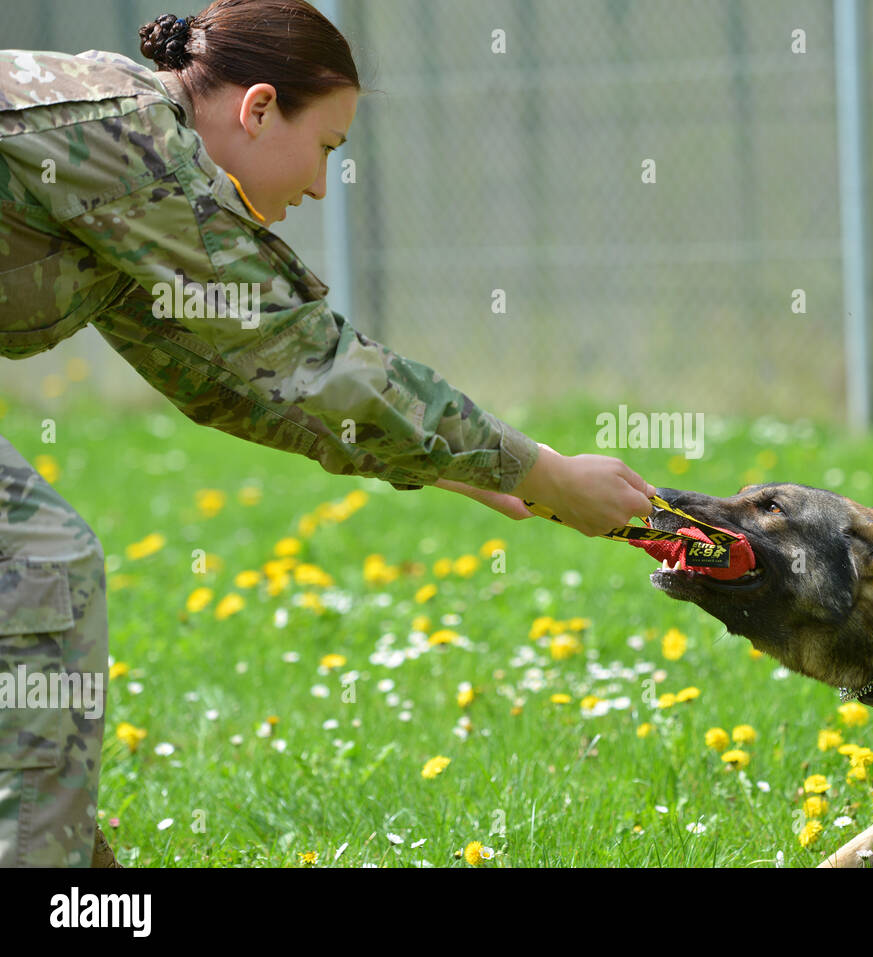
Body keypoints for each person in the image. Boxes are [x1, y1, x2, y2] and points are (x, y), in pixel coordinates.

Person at [0, 0, 653, 867]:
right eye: (326, 150)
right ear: (259, 108)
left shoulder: (139, 179)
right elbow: (306, 355)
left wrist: (441, 465)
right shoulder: (131, 145)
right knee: (41, 561)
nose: (318, 186)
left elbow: (233, 380)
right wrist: (548, 473)